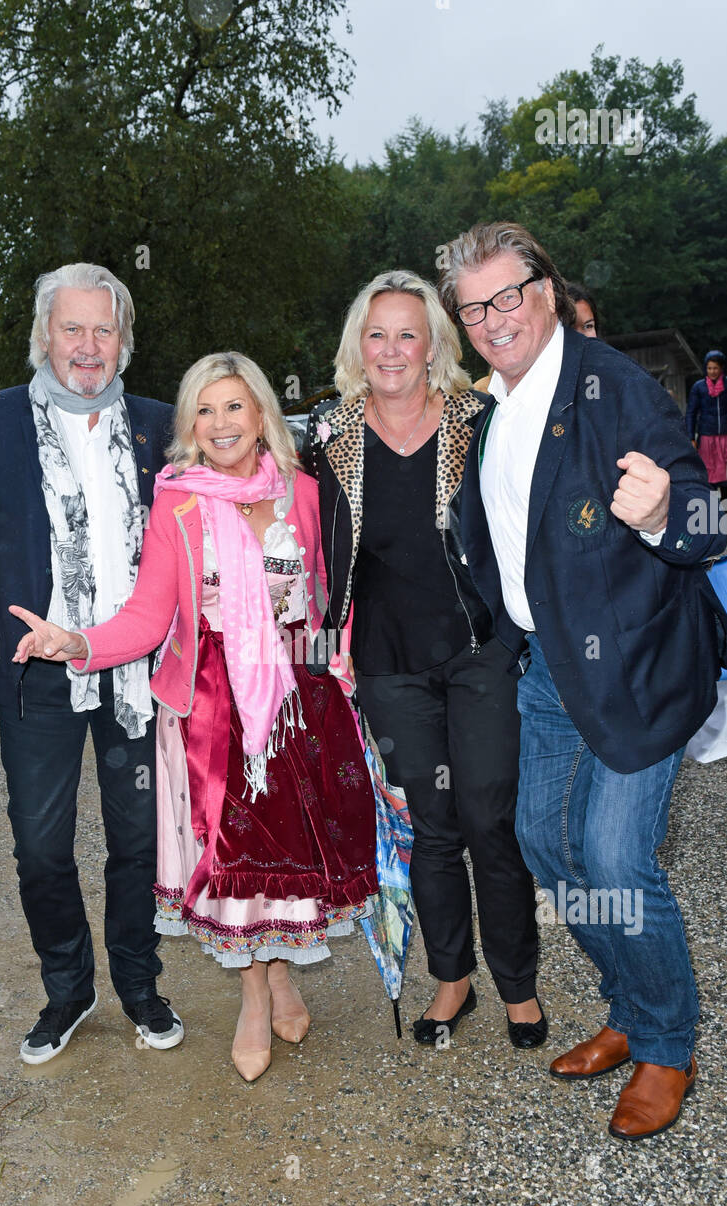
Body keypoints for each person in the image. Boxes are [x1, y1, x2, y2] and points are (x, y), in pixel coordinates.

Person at [10, 351, 378, 1082]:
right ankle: (253, 992)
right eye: (204, 411)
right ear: (188, 426)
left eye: (234, 407)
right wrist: (76, 641)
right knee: (237, 859)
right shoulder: (177, 502)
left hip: (300, 694)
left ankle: (279, 972)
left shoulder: (304, 490)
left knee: (297, 855)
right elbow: (149, 617)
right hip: (211, 703)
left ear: (262, 414)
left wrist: (342, 663)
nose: (219, 424)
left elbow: (335, 589)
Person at [440, 221, 727, 1140]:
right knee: (543, 842)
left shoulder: (611, 384)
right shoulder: (486, 411)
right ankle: (631, 1007)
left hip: (637, 666)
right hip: (546, 669)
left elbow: (706, 511)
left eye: (507, 296)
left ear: (546, 291)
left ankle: (668, 1045)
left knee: (611, 856)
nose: (493, 319)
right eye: (472, 306)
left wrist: (659, 516)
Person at [0, 263, 184, 1064]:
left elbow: (210, 536)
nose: (88, 347)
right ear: (43, 336)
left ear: (124, 341)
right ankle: (69, 988)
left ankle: (136, 982)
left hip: (134, 671)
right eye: (72, 328)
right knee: (40, 848)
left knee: (137, 844)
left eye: (104, 329)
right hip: (34, 674)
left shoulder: (160, 426)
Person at [302, 269, 544, 1049]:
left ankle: (518, 984)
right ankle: (452, 983)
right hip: (387, 665)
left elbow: (524, 524)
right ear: (356, 348)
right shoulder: (329, 438)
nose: (392, 349)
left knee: (488, 818)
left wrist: (513, 637)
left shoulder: (480, 420)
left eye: (409, 332)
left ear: (434, 344)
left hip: (480, 652)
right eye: (377, 334)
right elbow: (298, 542)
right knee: (433, 827)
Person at [686, 350, 727, 489]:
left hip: (725, 437)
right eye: (709, 368)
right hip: (706, 438)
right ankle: (713, 507)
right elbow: (691, 413)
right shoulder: (699, 387)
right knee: (709, 473)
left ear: (721, 368)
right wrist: (691, 437)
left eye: (715, 368)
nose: (712, 371)